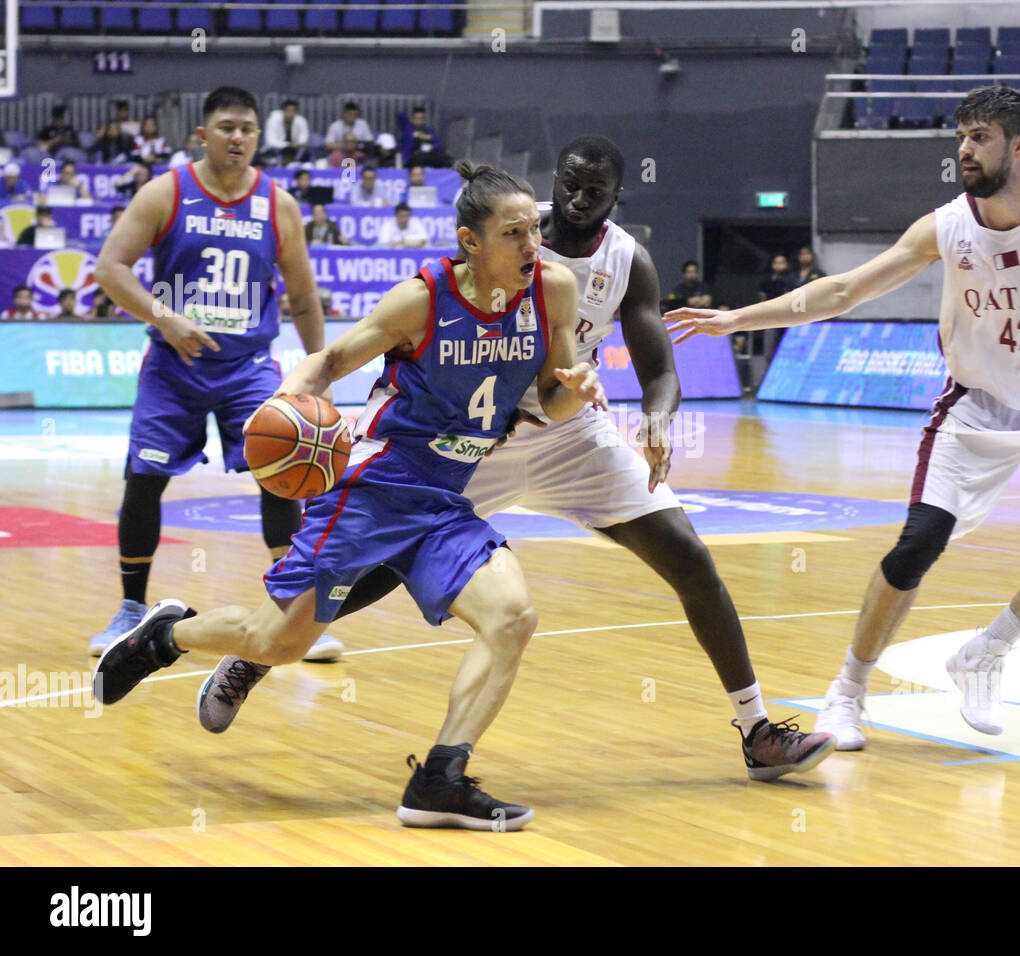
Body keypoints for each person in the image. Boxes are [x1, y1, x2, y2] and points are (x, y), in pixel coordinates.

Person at [197, 135, 835, 783]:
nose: (575, 200)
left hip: (571, 429)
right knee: (387, 567)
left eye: (594, 192)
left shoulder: (627, 261)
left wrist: (658, 418)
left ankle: (756, 730)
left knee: (689, 557)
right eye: (568, 184)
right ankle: (260, 649)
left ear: (618, 199)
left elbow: (658, 370)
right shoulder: (509, 232)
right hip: (482, 435)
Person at [667, 86, 1020, 747]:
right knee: (916, 545)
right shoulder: (946, 225)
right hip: (974, 411)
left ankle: (987, 650)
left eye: (979, 137)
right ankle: (848, 691)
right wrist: (739, 319)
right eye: (960, 136)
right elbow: (843, 290)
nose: (964, 149)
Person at [95, 161, 609, 831]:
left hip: (444, 503)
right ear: (470, 241)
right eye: (513, 233)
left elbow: (555, 400)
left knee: (512, 617)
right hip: (371, 492)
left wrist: (579, 387)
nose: (531, 245)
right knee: (273, 642)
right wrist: (287, 400)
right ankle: (166, 634)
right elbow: (332, 362)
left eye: (534, 230)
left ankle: (438, 781)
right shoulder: (422, 299)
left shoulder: (554, 291)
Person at [87, 86, 340, 665]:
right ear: (202, 135)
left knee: (284, 475)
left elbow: (302, 297)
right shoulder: (167, 192)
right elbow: (109, 267)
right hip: (174, 367)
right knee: (144, 479)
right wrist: (165, 318)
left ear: (258, 136)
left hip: (248, 366)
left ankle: (290, 615)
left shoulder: (278, 205)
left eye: (247, 128)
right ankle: (130, 611)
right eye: (226, 127)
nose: (237, 137)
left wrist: (319, 367)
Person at [262, 99, 310, 165]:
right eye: (288, 110)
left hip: (294, 150)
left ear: (297, 112)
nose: (290, 113)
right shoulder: (273, 119)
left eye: (293, 111)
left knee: (304, 151)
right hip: (274, 150)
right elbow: (270, 141)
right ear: (283, 111)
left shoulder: (301, 120)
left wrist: (297, 144)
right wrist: (287, 144)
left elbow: (304, 139)